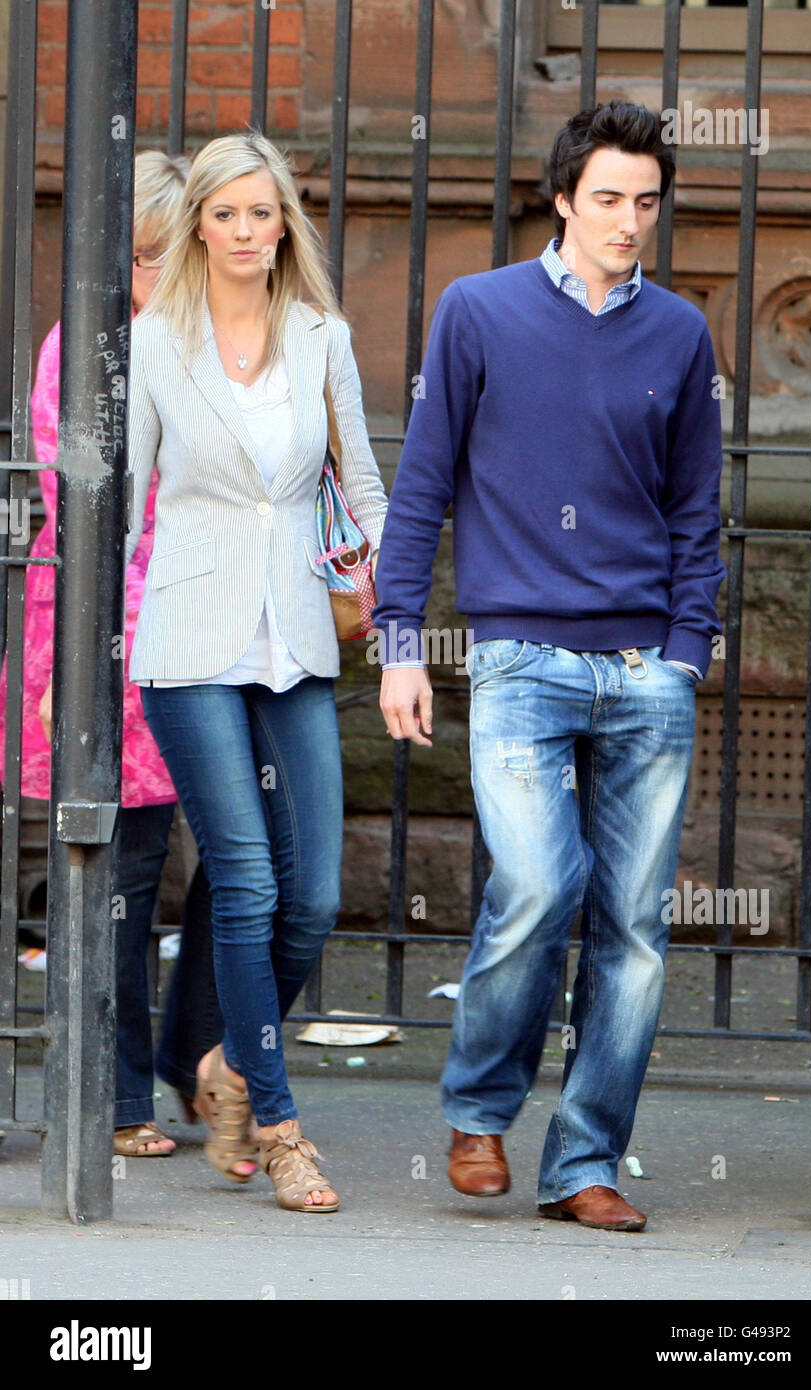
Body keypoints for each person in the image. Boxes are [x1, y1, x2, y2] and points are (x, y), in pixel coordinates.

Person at [374, 101, 726, 1231]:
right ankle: (479, 1110)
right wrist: (398, 641)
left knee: (632, 926)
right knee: (537, 884)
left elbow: (697, 510)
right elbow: (423, 481)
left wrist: (681, 653)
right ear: (563, 199)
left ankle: (583, 1160)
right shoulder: (476, 313)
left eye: (646, 202)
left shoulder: (679, 333)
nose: (629, 221)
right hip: (519, 655)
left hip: (642, 670)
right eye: (610, 198)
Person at [127, 131, 388, 1211]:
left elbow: (361, 482)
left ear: (286, 225)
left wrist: (396, 613)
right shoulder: (152, 341)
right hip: (189, 641)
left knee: (313, 894)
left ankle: (231, 1059)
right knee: (243, 877)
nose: (244, 232)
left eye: (262, 214)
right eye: (225, 214)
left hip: (296, 642)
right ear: (198, 225)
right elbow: (123, 497)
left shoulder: (321, 335)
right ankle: (277, 1122)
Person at [0, 150, 224, 1158]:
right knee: (125, 872)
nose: (154, 278)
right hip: (117, 636)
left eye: (169, 255)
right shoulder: (82, 350)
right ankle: (122, 1093)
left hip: (220, 636)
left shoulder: (222, 342)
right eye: (138, 257)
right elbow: (79, 522)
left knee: (254, 859)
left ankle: (194, 1056)